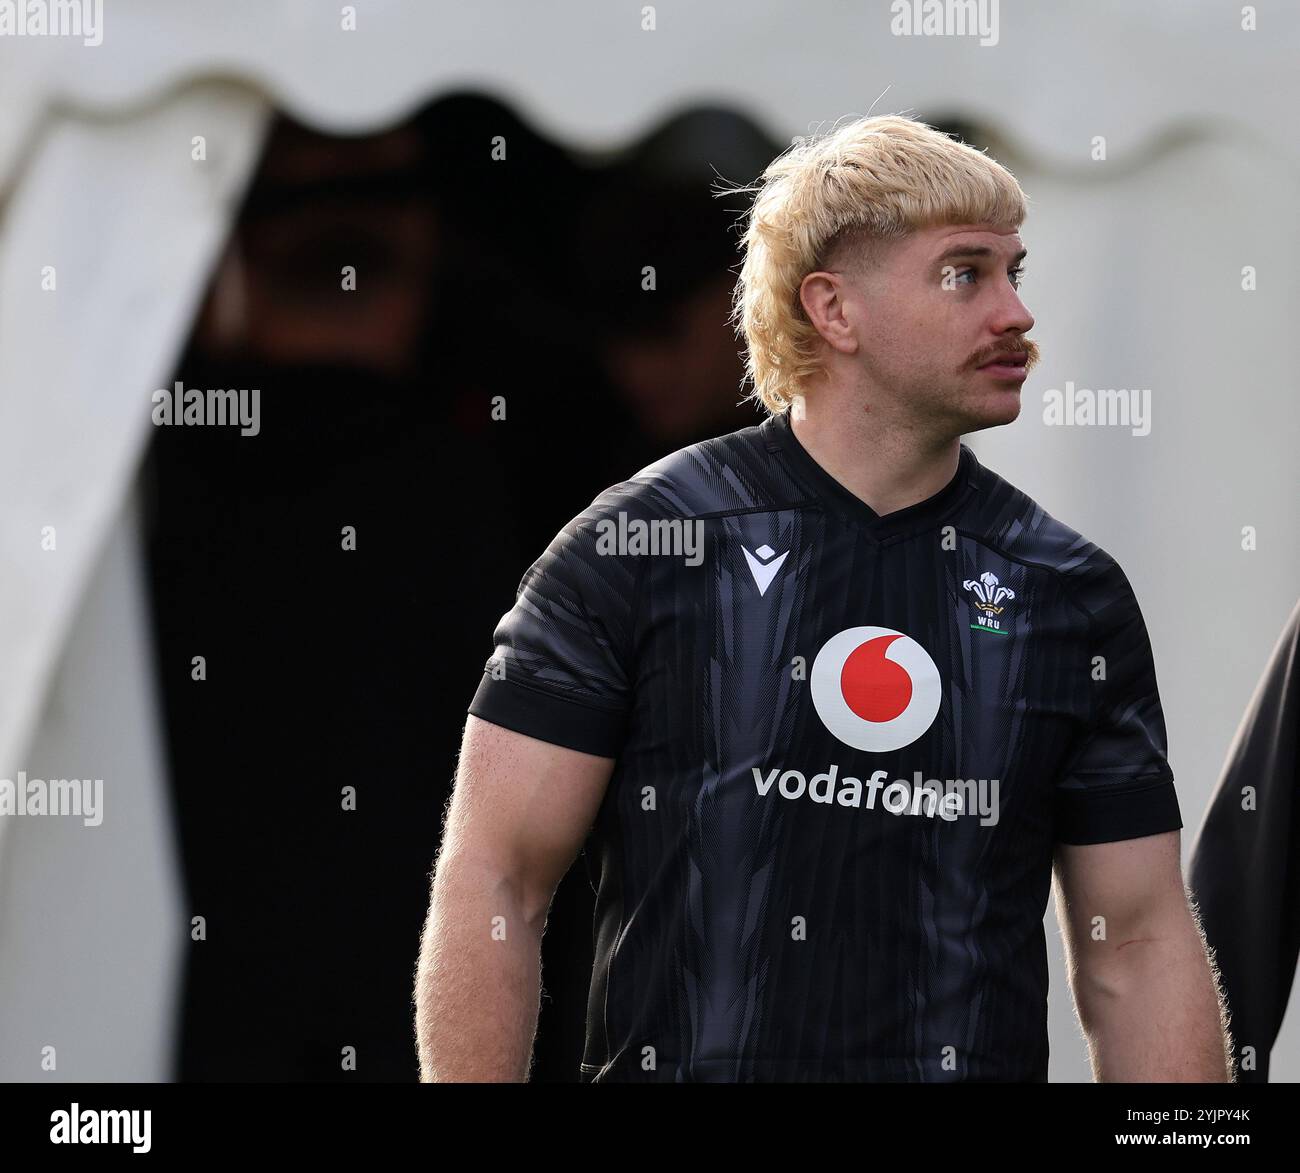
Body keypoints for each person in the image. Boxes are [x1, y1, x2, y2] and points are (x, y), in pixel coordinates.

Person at [414, 114, 1233, 1082]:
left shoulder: (1064, 592)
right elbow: (495, 882)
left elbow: (1133, 947)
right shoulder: (635, 548)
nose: (1015, 314)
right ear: (833, 310)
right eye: (965, 273)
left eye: (1016, 273)